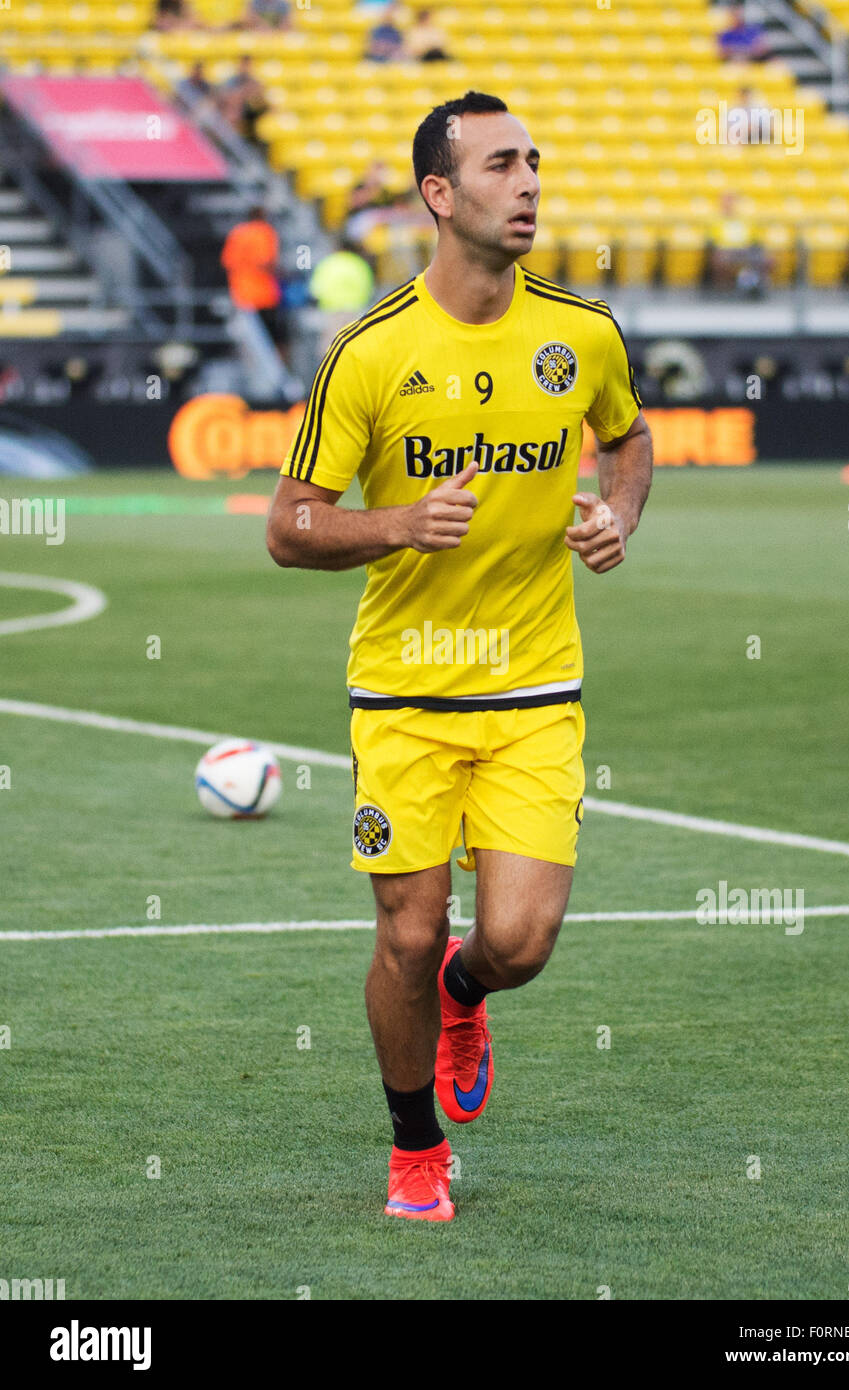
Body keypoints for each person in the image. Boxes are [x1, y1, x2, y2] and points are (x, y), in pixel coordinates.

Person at [266, 91, 652, 1222]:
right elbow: (289, 526)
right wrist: (397, 522)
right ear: (439, 194)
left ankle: (466, 991)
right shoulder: (370, 350)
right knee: (408, 928)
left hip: (534, 685)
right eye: (499, 165)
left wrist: (618, 515)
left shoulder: (582, 332)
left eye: (533, 161)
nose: (527, 183)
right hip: (405, 691)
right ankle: (414, 1150)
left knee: (518, 943)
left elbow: (628, 437)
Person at [220, 206, 284, 351]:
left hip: (240, 294)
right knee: (272, 341)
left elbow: (227, 262)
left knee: (249, 343)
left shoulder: (237, 232)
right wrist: (282, 273)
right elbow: (265, 261)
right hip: (263, 295)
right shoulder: (263, 231)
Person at [216, 55, 269, 147]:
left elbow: (262, 99)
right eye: (244, 65)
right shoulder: (231, 82)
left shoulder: (254, 82)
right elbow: (226, 97)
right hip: (235, 119)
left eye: (248, 65)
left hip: (249, 120)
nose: (245, 68)